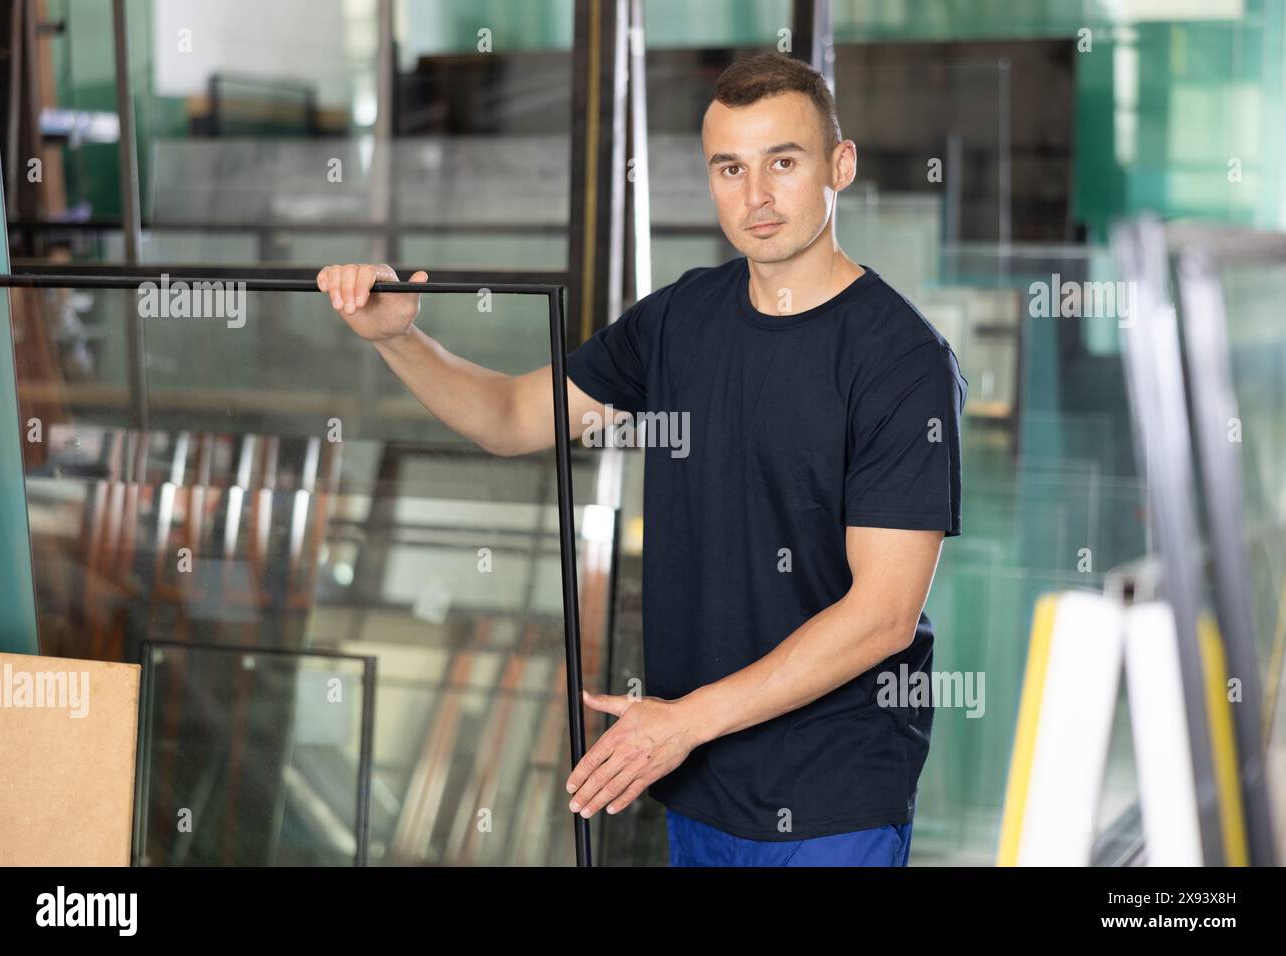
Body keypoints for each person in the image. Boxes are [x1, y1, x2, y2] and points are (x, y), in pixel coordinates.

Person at [318, 51, 967, 867]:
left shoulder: (900, 360)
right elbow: (516, 418)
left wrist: (680, 722)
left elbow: (881, 616)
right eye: (730, 168)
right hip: (696, 783)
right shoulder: (679, 318)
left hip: (834, 796)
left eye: (784, 162)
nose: (756, 196)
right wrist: (399, 339)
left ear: (841, 165)